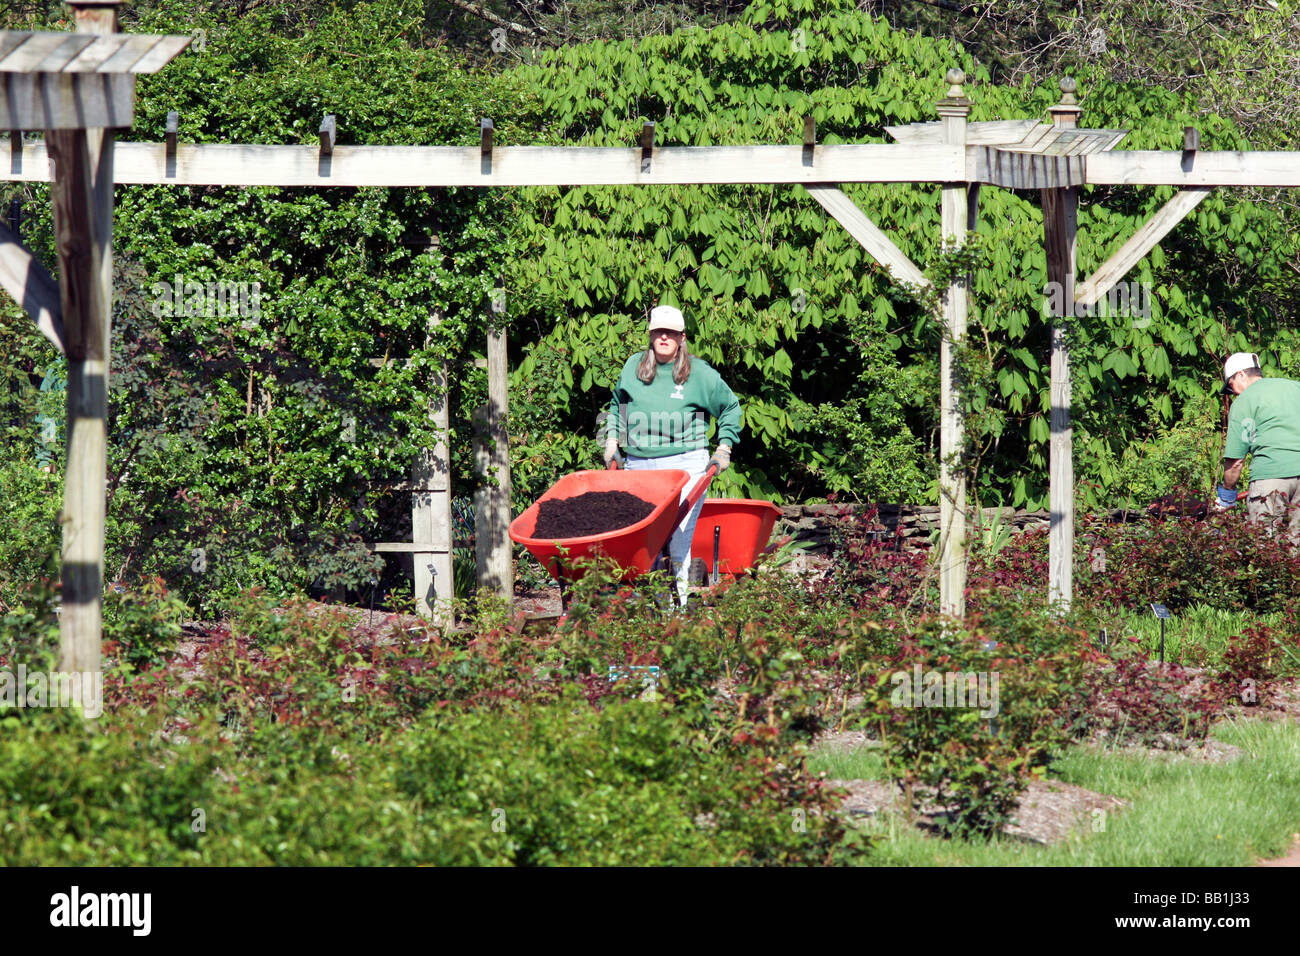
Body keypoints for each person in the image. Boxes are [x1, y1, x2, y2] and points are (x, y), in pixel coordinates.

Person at [604, 304, 742, 606]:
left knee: (679, 540)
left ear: (681, 337)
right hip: (641, 468)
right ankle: (648, 611)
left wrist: (724, 447)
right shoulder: (633, 367)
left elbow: (730, 407)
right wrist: (613, 441)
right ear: (651, 335)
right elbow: (618, 405)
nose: (664, 337)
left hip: (685, 466)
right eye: (658, 332)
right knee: (643, 543)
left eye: (670, 333)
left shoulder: (699, 374)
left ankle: (676, 616)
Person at [1213, 351, 1300, 543]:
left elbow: (1236, 462)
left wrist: (1227, 494)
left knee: (1264, 549)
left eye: (1230, 386)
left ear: (1241, 374)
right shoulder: (1295, 388)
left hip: (1270, 478)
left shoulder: (1245, 400)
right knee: (1296, 555)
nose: (1233, 393)